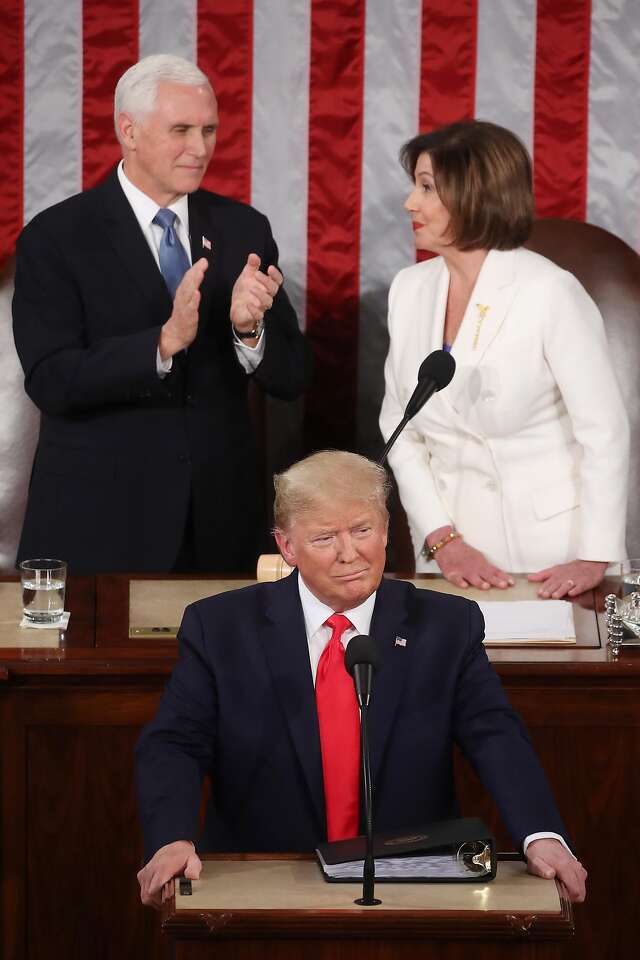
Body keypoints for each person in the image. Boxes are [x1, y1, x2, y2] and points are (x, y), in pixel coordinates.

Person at [135, 450, 586, 908]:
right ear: (287, 547)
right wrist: (171, 838)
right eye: (325, 538)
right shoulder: (221, 627)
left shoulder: (446, 626)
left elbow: (495, 734)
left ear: (386, 529)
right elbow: (175, 741)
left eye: (362, 530)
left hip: (407, 883)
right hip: (263, 876)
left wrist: (540, 833)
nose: (350, 554)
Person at [12, 54, 311, 574]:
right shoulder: (57, 238)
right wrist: (162, 344)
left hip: (221, 525)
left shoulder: (243, 229)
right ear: (128, 131)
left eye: (209, 129)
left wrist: (249, 330)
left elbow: (292, 376)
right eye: (181, 130)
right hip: (101, 524)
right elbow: (51, 381)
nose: (201, 148)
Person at [379, 120, 629, 598]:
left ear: (474, 194)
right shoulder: (409, 290)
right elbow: (400, 427)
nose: (411, 203)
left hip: (553, 561)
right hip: (450, 559)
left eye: (427, 188)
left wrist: (595, 554)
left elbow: (604, 431)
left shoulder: (550, 292)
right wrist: (441, 537)